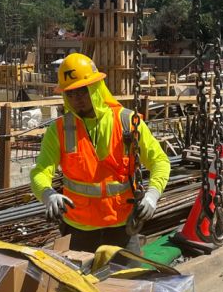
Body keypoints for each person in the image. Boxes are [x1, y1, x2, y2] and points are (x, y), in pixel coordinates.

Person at [30, 54, 170, 253]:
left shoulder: (127, 123)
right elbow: (40, 171)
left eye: (82, 91)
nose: (76, 99)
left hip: (122, 227)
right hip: (78, 229)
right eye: (70, 93)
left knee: (129, 281)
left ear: (95, 87)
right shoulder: (59, 130)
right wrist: (48, 194)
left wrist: (153, 195)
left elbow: (159, 161)